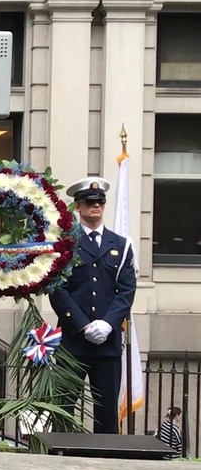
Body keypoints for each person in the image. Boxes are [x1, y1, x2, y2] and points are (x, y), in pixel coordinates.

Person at [49, 177, 136, 434]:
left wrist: (108, 324)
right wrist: (84, 325)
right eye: (89, 202)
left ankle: (105, 458)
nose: (96, 206)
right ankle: (61, 457)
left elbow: (126, 291)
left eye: (100, 202)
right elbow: (58, 289)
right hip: (73, 341)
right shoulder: (65, 244)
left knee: (107, 415)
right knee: (63, 411)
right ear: (78, 206)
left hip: (107, 344)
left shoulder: (121, 245)